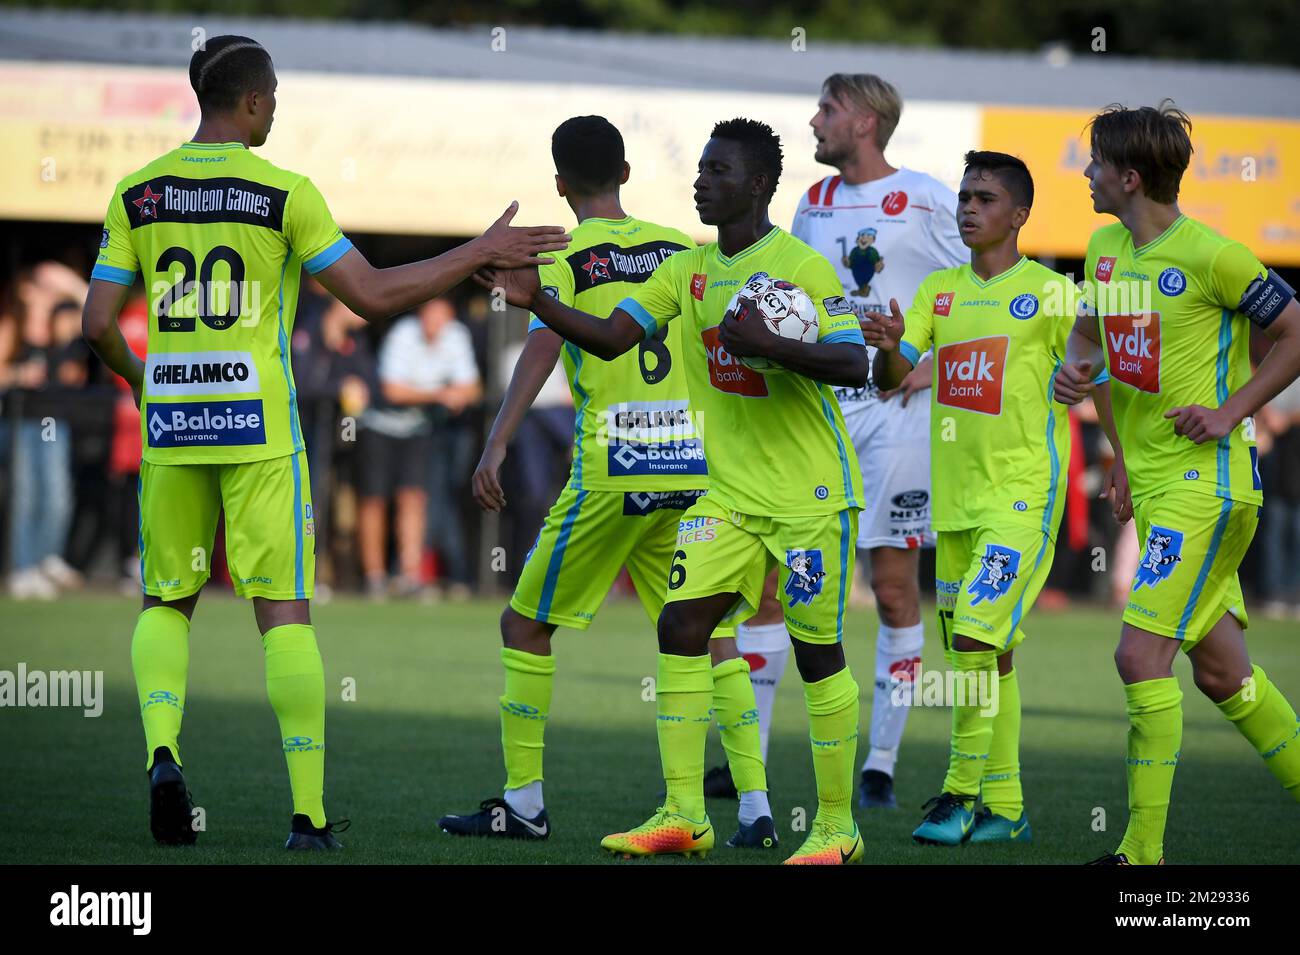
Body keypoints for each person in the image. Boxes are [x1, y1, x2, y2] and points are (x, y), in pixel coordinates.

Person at [80, 35, 567, 851]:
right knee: (284, 611)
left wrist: (139, 377)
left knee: (167, 598)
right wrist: (479, 251)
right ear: (253, 102)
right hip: (258, 426)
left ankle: (163, 754)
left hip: (173, 421)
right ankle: (306, 815)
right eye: (273, 98)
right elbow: (373, 295)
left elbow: (97, 324)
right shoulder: (284, 192)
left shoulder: (139, 191)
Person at [481, 117, 870, 865]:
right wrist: (538, 302)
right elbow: (612, 337)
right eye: (699, 169)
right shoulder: (687, 270)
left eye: (718, 171)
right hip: (721, 496)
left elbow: (853, 364)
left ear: (757, 185)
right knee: (682, 629)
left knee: (818, 650)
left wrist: (773, 347)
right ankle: (686, 814)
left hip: (810, 497)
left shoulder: (804, 268)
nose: (700, 182)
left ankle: (835, 826)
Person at [439, 115, 775, 850]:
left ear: (559, 185)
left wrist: (496, 441)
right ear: (626, 174)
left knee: (524, 624)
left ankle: (524, 804)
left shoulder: (560, 257)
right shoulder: (681, 248)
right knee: (712, 636)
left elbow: (541, 346)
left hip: (614, 470)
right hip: (691, 468)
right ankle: (756, 806)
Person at [1053, 101, 1300, 864]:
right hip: (1157, 484)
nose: (1085, 174)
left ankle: (1141, 853)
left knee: (1137, 656)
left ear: (1129, 177)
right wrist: (1087, 393)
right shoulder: (1102, 248)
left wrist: (1231, 412)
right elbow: (1093, 341)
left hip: (1209, 488)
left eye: (1094, 163)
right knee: (1225, 674)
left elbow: (1295, 331)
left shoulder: (1213, 256)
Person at [718, 74, 966, 811]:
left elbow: (986, 287)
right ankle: (748, 766)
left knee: (892, 587)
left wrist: (928, 366)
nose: (814, 121)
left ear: (864, 120)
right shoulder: (811, 203)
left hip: (897, 419)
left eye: (826, 110)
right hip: (822, 412)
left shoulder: (924, 197)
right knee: (771, 585)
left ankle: (881, 763)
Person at [865, 151, 1079, 845]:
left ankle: (958, 794)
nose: (967, 208)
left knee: (977, 637)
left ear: (1018, 215)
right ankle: (1008, 807)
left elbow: (1099, 364)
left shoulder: (1051, 293)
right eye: (963, 197)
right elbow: (893, 376)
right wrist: (894, 348)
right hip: (954, 503)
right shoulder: (940, 292)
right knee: (990, 654)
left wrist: (1123, 461)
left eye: (984, 198)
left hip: (1023, 495)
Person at [356, 297, 481, 599]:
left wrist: (450, 394)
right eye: (431, 317)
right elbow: (392, 390)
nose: (436, 325)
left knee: (414, 498)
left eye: (442, 319)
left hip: (417, 428)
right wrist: (441, 395)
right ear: (421, 315)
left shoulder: (457, 335)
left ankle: (410, 576)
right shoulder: (402, 333)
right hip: (379, 425)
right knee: (374, 500)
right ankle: (374, 577)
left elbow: (472, 389)